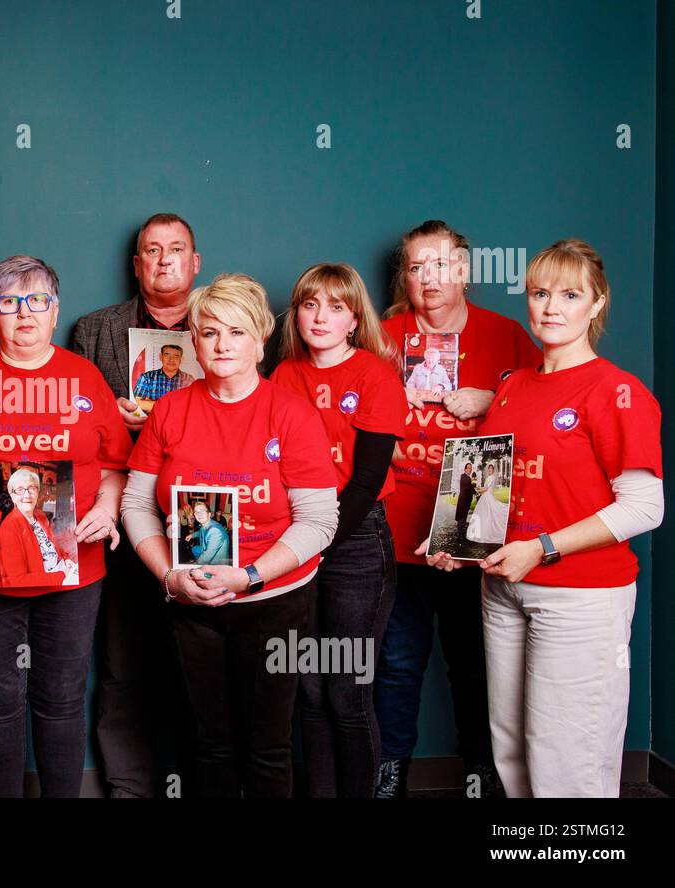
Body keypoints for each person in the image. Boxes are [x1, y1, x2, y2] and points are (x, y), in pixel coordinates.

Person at [425, 239, 663, 797]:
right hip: (503, 586)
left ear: (596, 304)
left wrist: (544, 546)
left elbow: (645, 507)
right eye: (539, 293)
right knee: (511, 746)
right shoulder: (510, 386)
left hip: (579, 595)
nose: (551, 308)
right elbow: (485, 481)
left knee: (566, 758)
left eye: (570, 294)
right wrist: (456, 543)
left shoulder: (617, 390)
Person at [121, 273, 340, 798]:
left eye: (237, 332)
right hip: (191, 599)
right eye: (210, 332)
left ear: (261, 337)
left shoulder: (291, 413)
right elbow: (134, 505)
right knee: (207, 742)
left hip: (272, 598)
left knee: (267, 746)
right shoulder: (170, 409)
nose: (222, 345)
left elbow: (319, 522)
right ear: (192, 340)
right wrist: (170, 575)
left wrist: (249, 576)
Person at [0, 255, 130, 797]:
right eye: (8, 302)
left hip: (74, 570)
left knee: (62, 698)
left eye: (36, 300)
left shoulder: (85, 377)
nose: (24, 313)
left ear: (55, 310)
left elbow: (116, 468)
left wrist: (107, 510)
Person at [373, 220, 542, 798]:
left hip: (477, 533)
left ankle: (480, 770)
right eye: (417, 267)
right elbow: (345, 418)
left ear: (465, 272)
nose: (429, 278)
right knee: (396, 662)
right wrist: (386, 408)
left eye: (441, 265)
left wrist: (494, 397)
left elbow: (544, 411)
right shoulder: (382, 335)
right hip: (397, 530)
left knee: (474, 665)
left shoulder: (507, 335)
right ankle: (388, 771)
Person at [70, 212, 202, 798]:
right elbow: (71, 430)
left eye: (177, 250)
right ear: (137, 264)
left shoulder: (227, 325)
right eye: (153, 250)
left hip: (207, 517)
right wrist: (113, 422)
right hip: (122, 514)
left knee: (202, 663)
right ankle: (129, 786)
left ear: (196, 263)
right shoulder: (94, 330)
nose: (165, 259)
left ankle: (200, 782)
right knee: (124, 662)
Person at [270, 262, 408, 798]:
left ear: (354, 319)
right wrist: (296, 543)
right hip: (295, 541)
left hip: (353, 544)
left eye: (335, 306)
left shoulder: (374, 374)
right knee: (308, 688)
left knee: (346, 692)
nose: (320, 317)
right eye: (309, 304)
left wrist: (317, 541)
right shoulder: (284, 375)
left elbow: (368, 479)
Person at [0, 467, 79, 587]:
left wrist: (65, 559)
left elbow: (50, 545)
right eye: (20, 489)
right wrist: (62, 575)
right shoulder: (9, 526)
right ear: (12, 496)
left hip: (61, 568)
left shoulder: (40, 515)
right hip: (46, 580)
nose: (27, 494)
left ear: (37, 493)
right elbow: (17, 580)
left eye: (32, 488)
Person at [133, 343, 195, 411]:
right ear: (161, 357)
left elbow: (193, 405)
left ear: (181, 359)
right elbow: (137, 403)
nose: (171, 359)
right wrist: (175, 406)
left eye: (176, 356)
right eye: (167, 355)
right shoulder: (147, 377)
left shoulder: (189, 379)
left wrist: (150, 404)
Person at [466, 464, 507, 544]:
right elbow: (484, 488)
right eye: (489, 469)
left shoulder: (492, 477)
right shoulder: (488, 477)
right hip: (485, 496)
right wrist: (478, 489)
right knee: (484, 514)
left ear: (493, 470)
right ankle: (482, 531)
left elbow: (486, 488)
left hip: (488, 497)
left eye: (491, 469)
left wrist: (478, 490)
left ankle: (486, 532)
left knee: (488, 513)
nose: (489, 470)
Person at [184, 500, 231, 565]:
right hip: (205, 548)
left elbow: (206, 557)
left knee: (199, 560)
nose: (199, 514)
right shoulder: (206, 523)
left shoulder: (215, 531)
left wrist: (193, 566)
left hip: (216, 563)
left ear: (209, 514)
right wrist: (192, 535)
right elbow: (201, 531)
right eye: (196, 512)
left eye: (202, 511)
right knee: (194, 549)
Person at [454, 462, 477, 539]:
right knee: (461, 517)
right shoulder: (464, 477)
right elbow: (469, 485)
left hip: (466, 502)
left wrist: (476, 491)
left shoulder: (468, 478)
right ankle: (459, 535)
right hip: (463, 502)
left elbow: (470, 488)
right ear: (465, 469)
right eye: (468, 468)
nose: (470, 469)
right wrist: (473, 482)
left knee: (464, 517)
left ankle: (461, 533)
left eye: (471, 468)